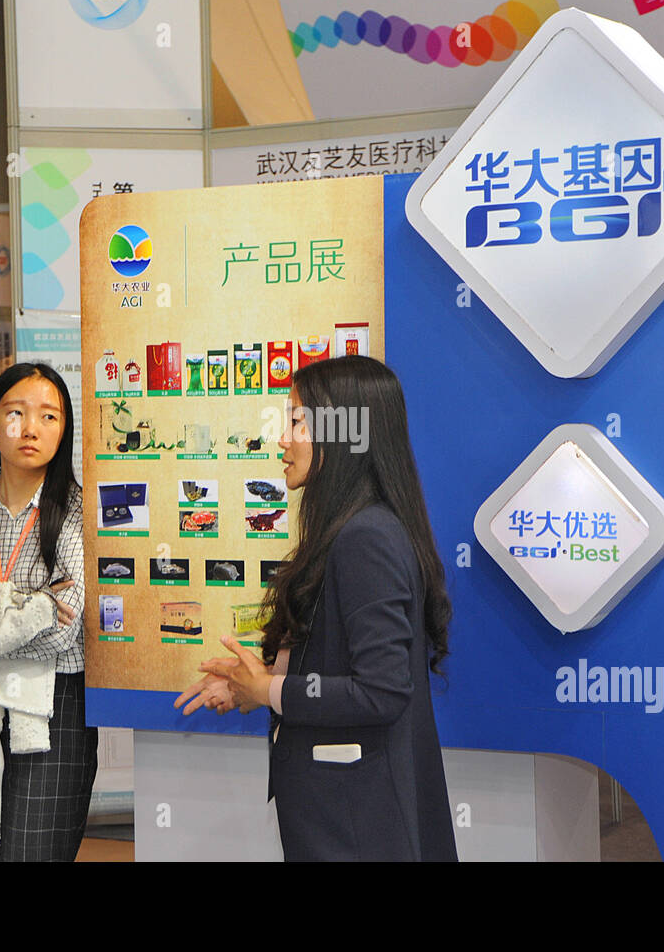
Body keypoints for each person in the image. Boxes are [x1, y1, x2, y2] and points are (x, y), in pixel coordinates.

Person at [175, 355, 459, 861]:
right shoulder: (350, 530)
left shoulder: (366, 536)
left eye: (296, 422)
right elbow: (334, 659)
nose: (282, 439)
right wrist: (255, 684)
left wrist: (268, 688)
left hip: (356, 821)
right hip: (343, 813)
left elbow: (381, 690)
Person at [0, 362, 93, 861]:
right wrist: (31, 605)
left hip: (55, 708)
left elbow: (64, 627)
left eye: (49, 417)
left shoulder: (81, 513)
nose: (31, 428)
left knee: (34, 854)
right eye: (15, 413)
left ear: (65, 430)